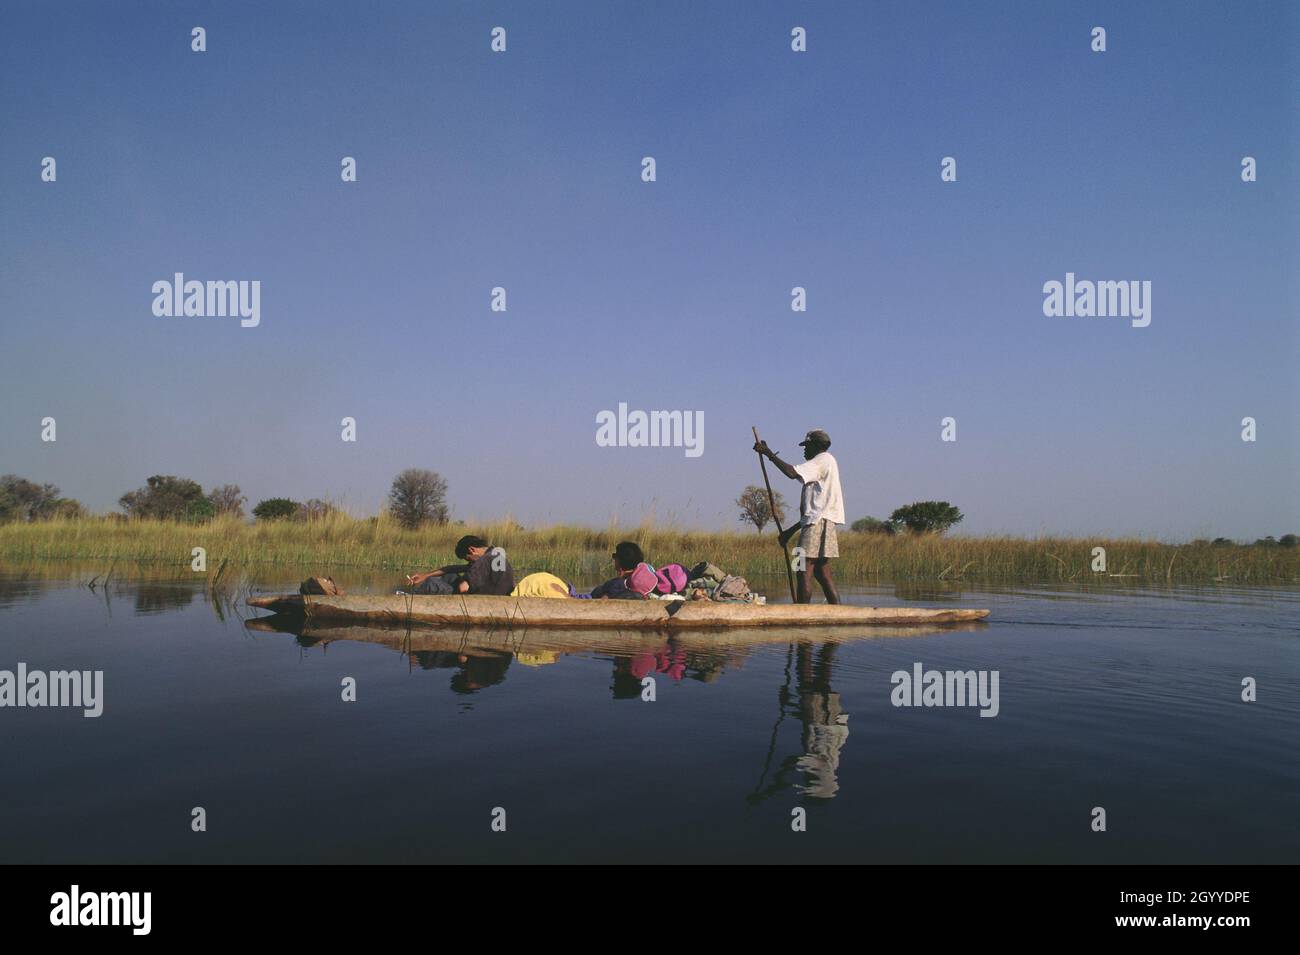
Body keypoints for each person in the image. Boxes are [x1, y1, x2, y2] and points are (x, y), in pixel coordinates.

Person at [752, 428, 844, 604]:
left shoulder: (822, 460)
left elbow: (792, 473)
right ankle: (837, 613)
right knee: (821, 571)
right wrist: (789, 532)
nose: (804, 450)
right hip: (822, 523)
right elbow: (812, 513)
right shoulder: (824, 464)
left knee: (802, 569)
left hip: (818, 523)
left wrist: (769, 454)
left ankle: (801, 613)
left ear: (816, 446)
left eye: (807, 446)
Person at [406, 535, 515, 595]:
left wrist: (464, 579)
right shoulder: (496, 555)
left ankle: (408, 599)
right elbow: (454, 568)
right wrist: (425, 575)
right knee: (450, 575)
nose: (469, 563)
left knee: (431, 584)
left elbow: (463, 588)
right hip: (497, 595)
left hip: (480, 600)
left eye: (468, 559)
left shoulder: (483, 562)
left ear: (472, 550)